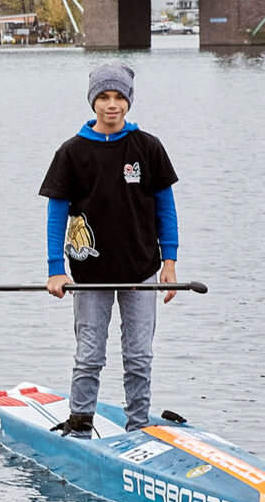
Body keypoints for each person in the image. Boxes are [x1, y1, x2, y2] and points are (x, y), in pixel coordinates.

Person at [39, 63, 179, 435]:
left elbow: (165, 208)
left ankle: (139, 428)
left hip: (141, 271)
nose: (111, 105)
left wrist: (170, 262)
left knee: (139, 357)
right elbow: (57, 215)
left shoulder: (148, 147)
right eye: (103, 97)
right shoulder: (71, 152)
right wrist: (56, 269)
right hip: (90, 275)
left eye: (118, 97)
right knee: (89, 355)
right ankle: (80, 423)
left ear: (129, 102)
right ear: (93, 101)